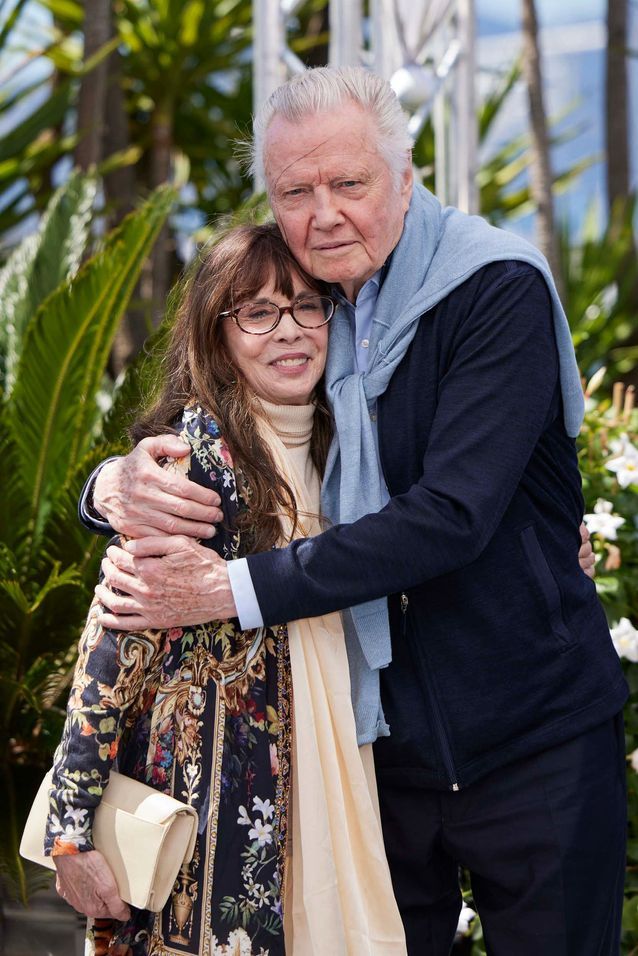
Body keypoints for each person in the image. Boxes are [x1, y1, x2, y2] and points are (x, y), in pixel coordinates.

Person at [81, 67, 626, 956]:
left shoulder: (492, 289)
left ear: (405, 179)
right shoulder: (306, 303)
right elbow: (200, 419)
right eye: (296, 191)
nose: (323, 213)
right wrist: (110, 486)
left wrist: (231, 589)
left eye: (349, 183)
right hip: (376, 758)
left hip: (534, 739)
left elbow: (452, 514)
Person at [48, 223, 406, 956]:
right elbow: (108, 655)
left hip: (337, 775)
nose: (291, 332)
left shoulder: (353, 448)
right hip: (212, 815)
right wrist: (69, 836)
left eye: (309, 306)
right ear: (217, 335)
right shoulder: (189, 467)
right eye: (258, 312)